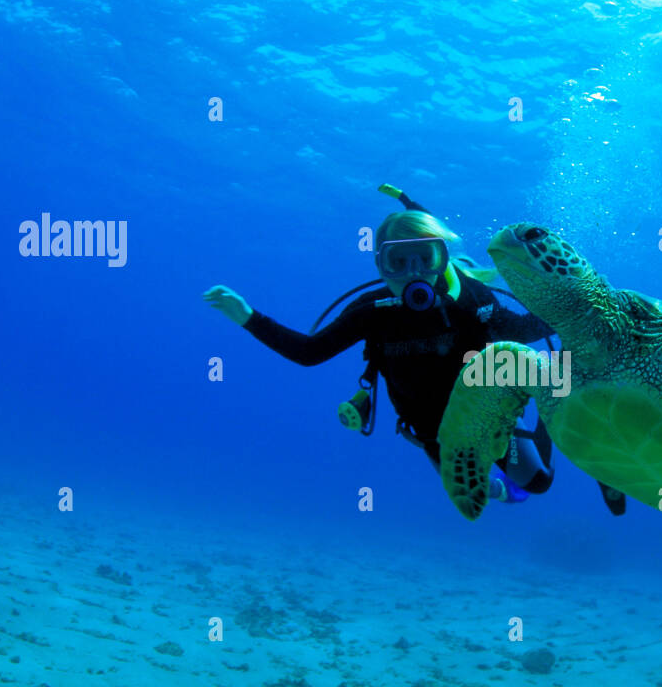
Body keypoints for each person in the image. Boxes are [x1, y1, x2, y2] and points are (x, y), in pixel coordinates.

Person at [203, 186, 563, 504]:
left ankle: (542, 426)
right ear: (381, 265)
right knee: (471, 491)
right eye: (398, 261)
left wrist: (573, 307)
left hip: (491, 420)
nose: (413, 272)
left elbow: (521, 329)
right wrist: (248, 317)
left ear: (441, 260)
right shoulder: (372, 312)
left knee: (539, 483)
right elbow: (309, 353)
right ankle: (500, 490)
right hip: (433, 434)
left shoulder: (471, 299)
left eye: (426, 258)